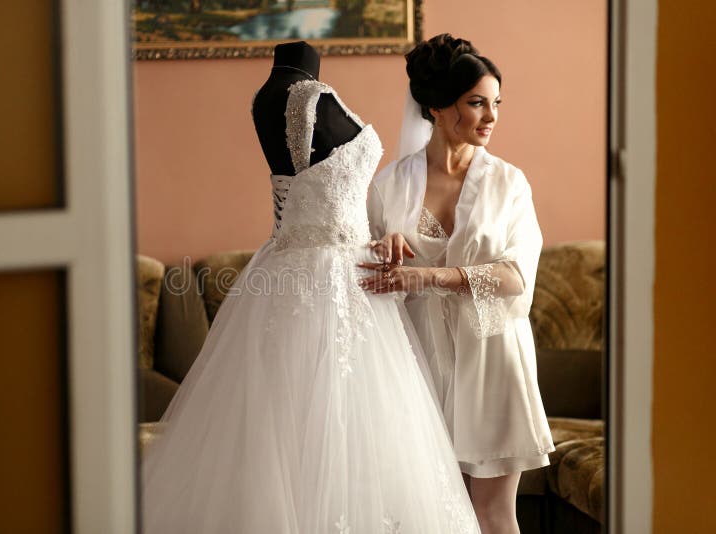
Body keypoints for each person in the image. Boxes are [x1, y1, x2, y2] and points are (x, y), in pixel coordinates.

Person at [140, 41, 479, 533]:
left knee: (307, 417)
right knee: (316, 414)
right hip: (335, 272)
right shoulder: (307, 97)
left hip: (296, 266)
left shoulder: (266, 98)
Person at [362, 34, 555, 534]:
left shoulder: (509, 183)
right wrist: (380, 252)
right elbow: (367, 278)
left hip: (494, 358)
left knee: (494, 514)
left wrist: (429, 274)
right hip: (419, 361)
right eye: (476, 103)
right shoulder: (389, 185)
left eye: (496, 104)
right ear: (437, 107)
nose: (490, 116)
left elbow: (515, 277)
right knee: (419, 514)